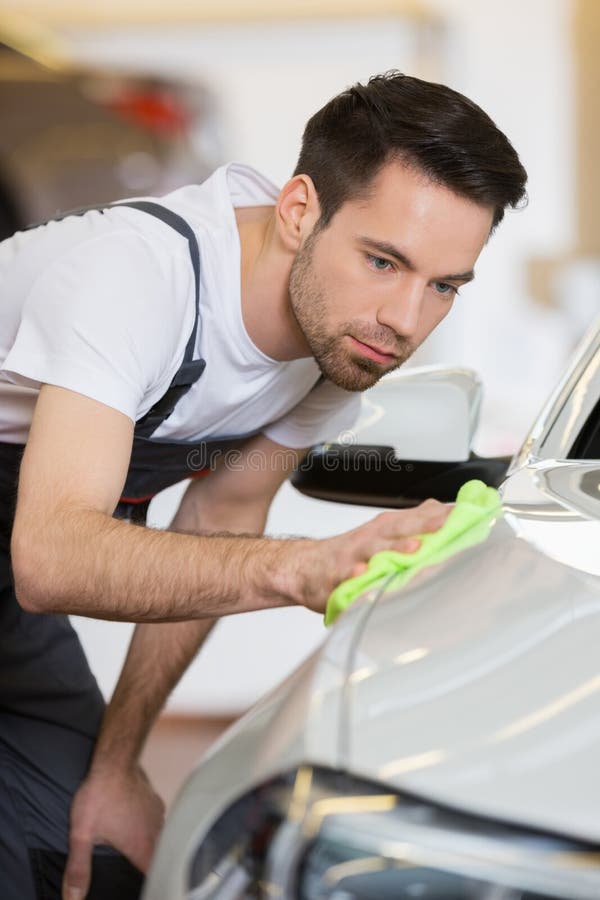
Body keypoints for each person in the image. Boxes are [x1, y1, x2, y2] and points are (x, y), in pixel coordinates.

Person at [0, 71, 527, 899]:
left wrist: (119, 766)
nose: (406, 320)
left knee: (87, 854)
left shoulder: (338, 353)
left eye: (443, 286)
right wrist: (295, 567)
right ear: (298, 212)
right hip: (29, 546)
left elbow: (221, 517)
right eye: (383, 261)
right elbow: (51, 554)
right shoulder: (138, 279)